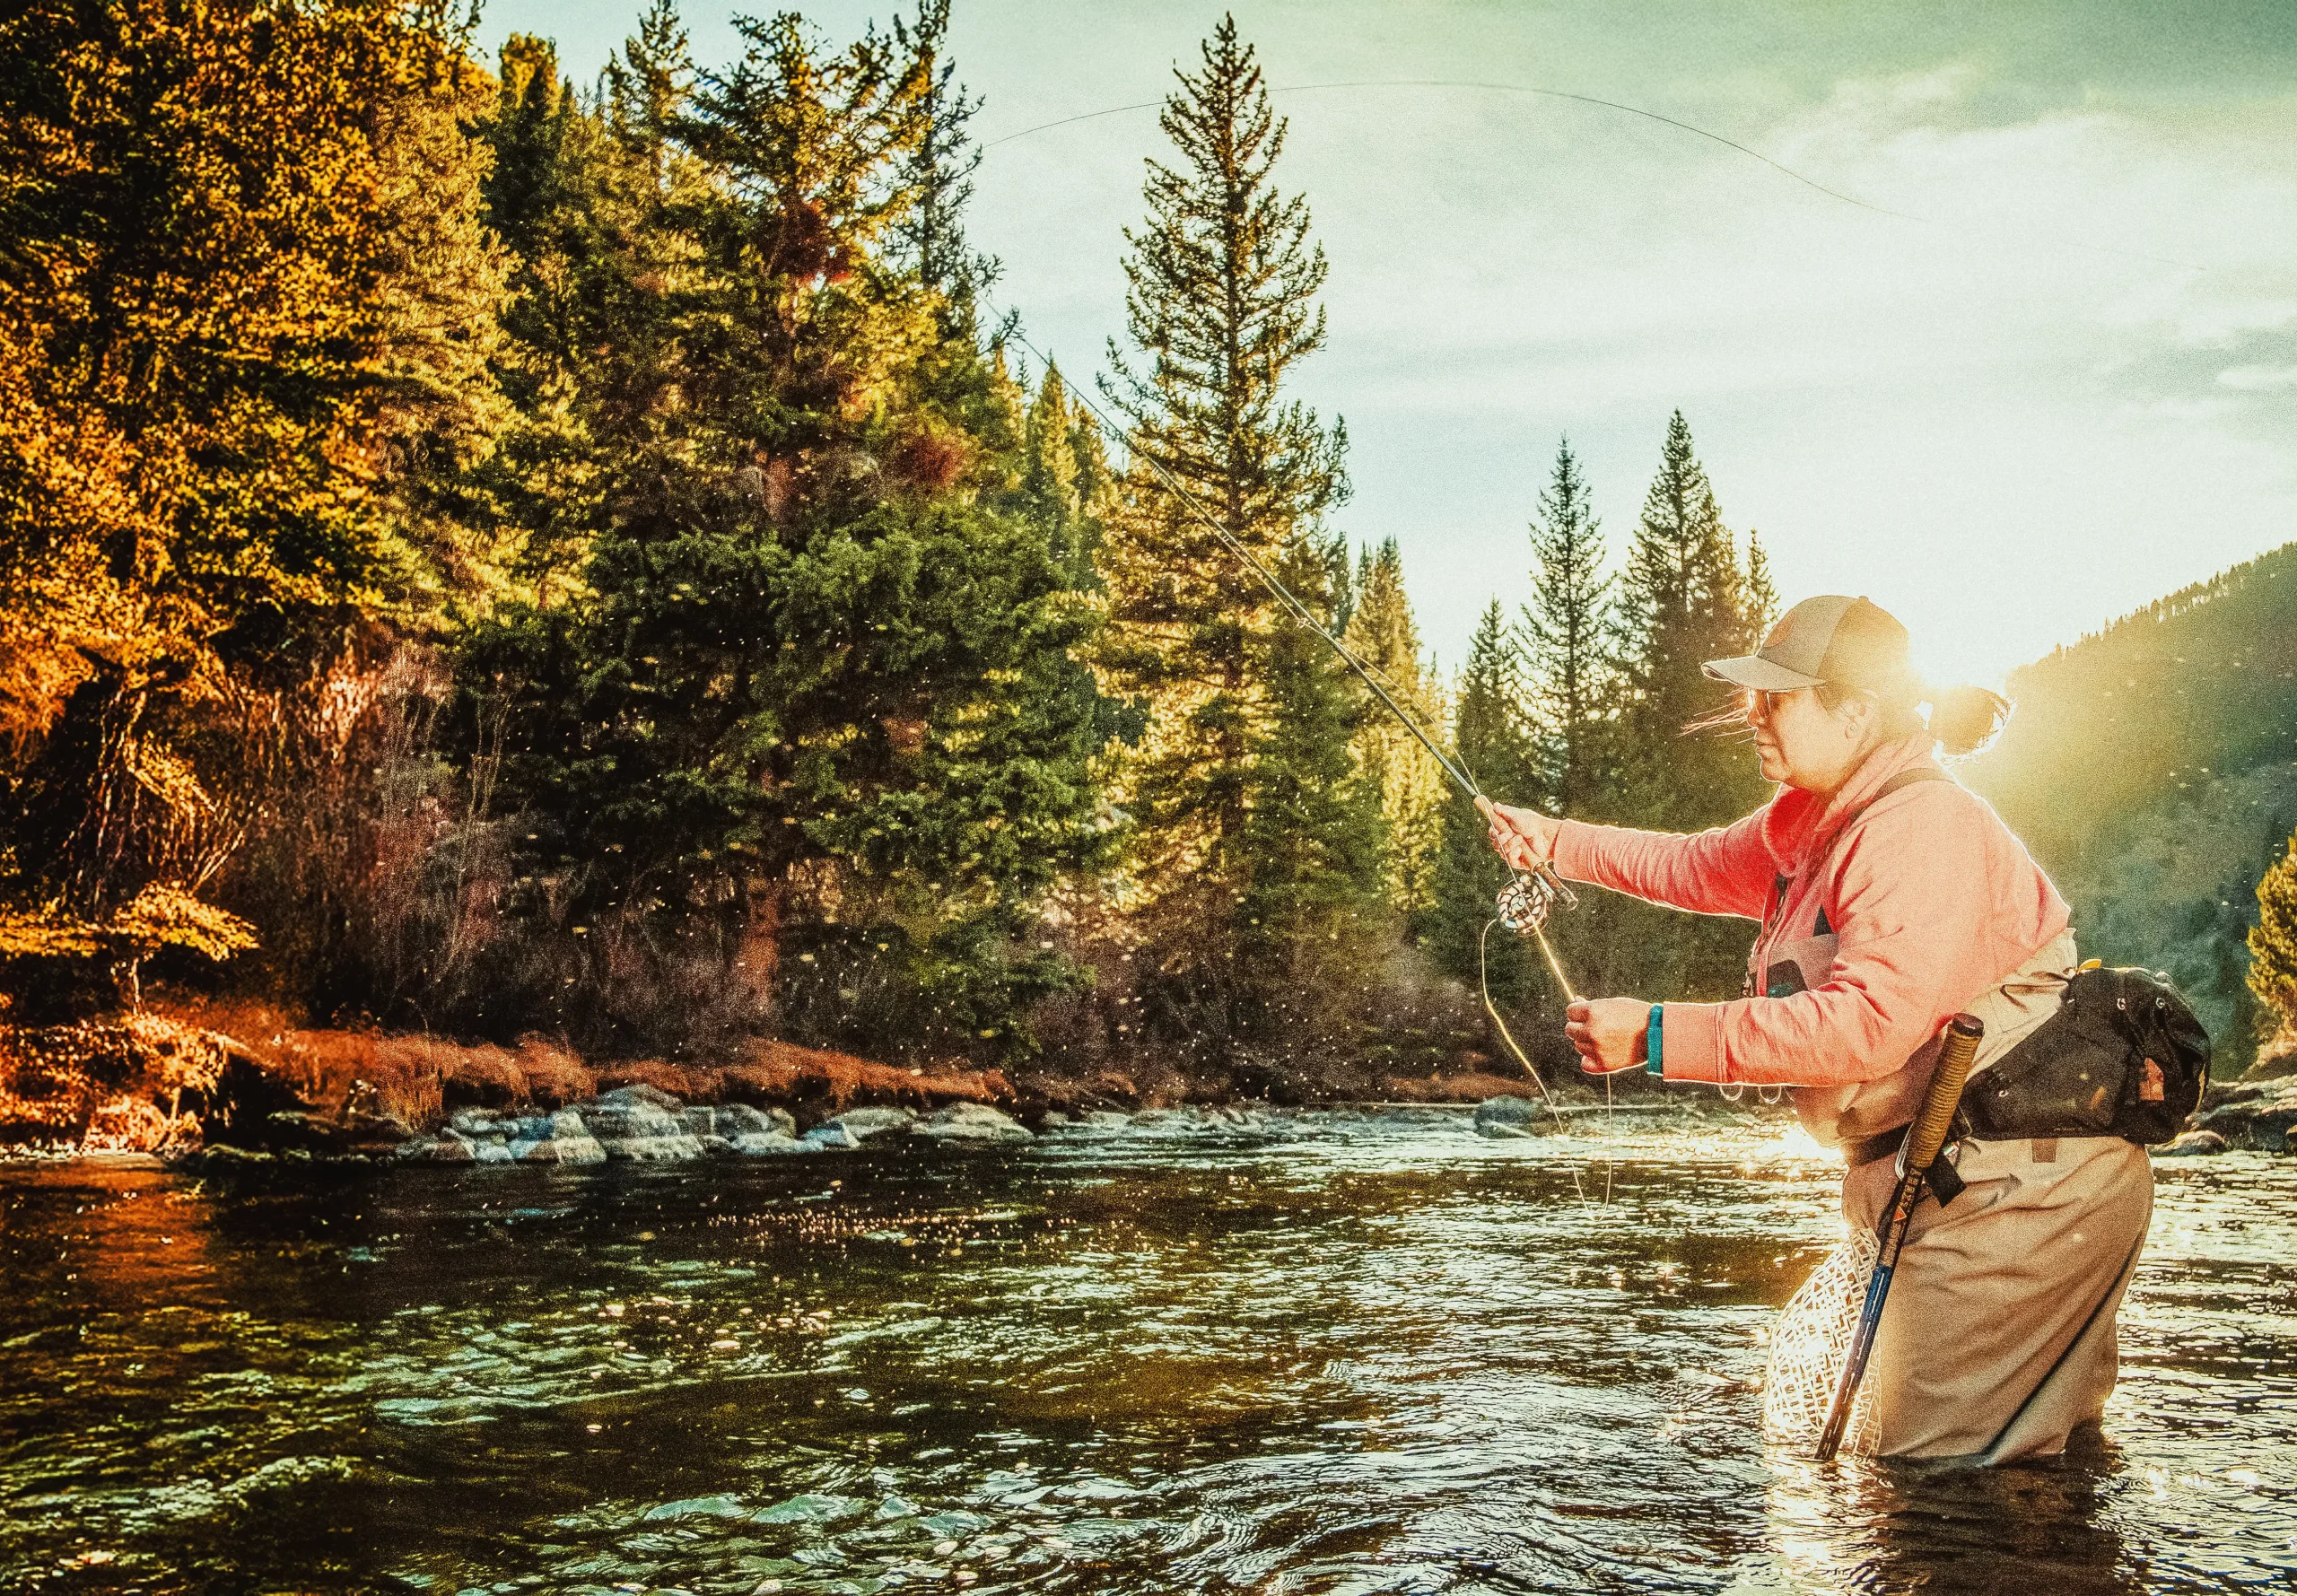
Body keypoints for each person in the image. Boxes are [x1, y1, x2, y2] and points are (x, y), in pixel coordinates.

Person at [1478, 594, 2153, 1463]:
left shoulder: (1919, 825)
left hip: (2016, 1191)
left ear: (1856, 711)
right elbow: (1686, 866)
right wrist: (1552, 840)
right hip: (1965, 1180)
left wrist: (1652, 1034)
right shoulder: (1812, 824)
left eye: (1777, 698)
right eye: (1753, 695)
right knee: (2018, 1472)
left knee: (1933, 1486)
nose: (1751, 715)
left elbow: (1867, 1029)